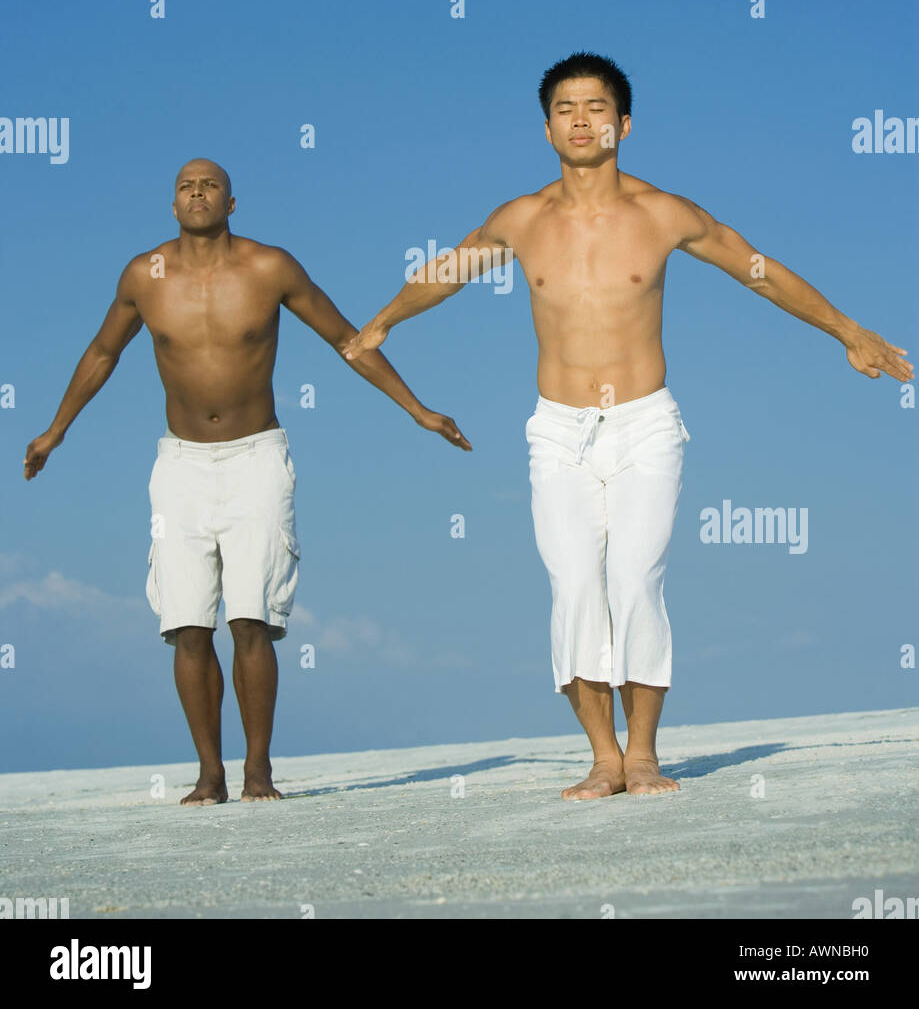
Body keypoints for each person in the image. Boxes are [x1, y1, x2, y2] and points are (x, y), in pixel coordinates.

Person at [343, 52, 913, 800]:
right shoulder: (520, 219)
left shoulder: (663, 214)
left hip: (644, 424)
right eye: (565, 109)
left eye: (595, 107)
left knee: (636, 580)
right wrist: (381, 321)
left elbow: (759, 269)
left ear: (624, 123)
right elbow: (445, 271)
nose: (580, 120)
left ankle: (642, 755)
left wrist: (847, 330)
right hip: (557, 431)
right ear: (547, 127)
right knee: (574, 585)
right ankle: (602, 757)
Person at [24, 158, 470, 806]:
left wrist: (417, 409)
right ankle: (210, 774)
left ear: (232, 203)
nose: (197, 192)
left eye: (209, 185)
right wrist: (56, 428)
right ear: (172, 204)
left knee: (250, 618)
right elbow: (102, 353)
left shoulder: (270, 268)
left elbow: (346, 338)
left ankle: (258, 771)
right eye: (185, 185)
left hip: (257, 457)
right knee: (185, 624)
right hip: (179, 464)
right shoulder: (142, 276)